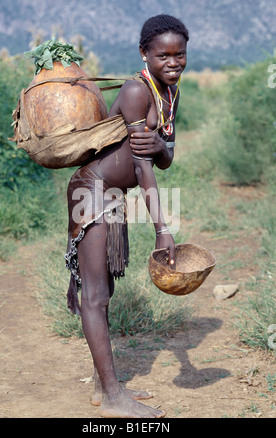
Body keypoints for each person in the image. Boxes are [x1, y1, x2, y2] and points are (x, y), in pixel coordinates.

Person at [65, 14, 189, 418]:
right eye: (163, 55)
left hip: (112, 195)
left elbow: (164, 158)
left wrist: (158, 143)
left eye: (180, 54)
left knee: (105, 293)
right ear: (144, 54)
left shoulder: (169, 92)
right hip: (93, 191)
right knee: (96, 296)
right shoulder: (138, 90)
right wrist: (162, 229)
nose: (173, 62)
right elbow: (142, 168)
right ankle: (114, 396)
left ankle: (106, 388)